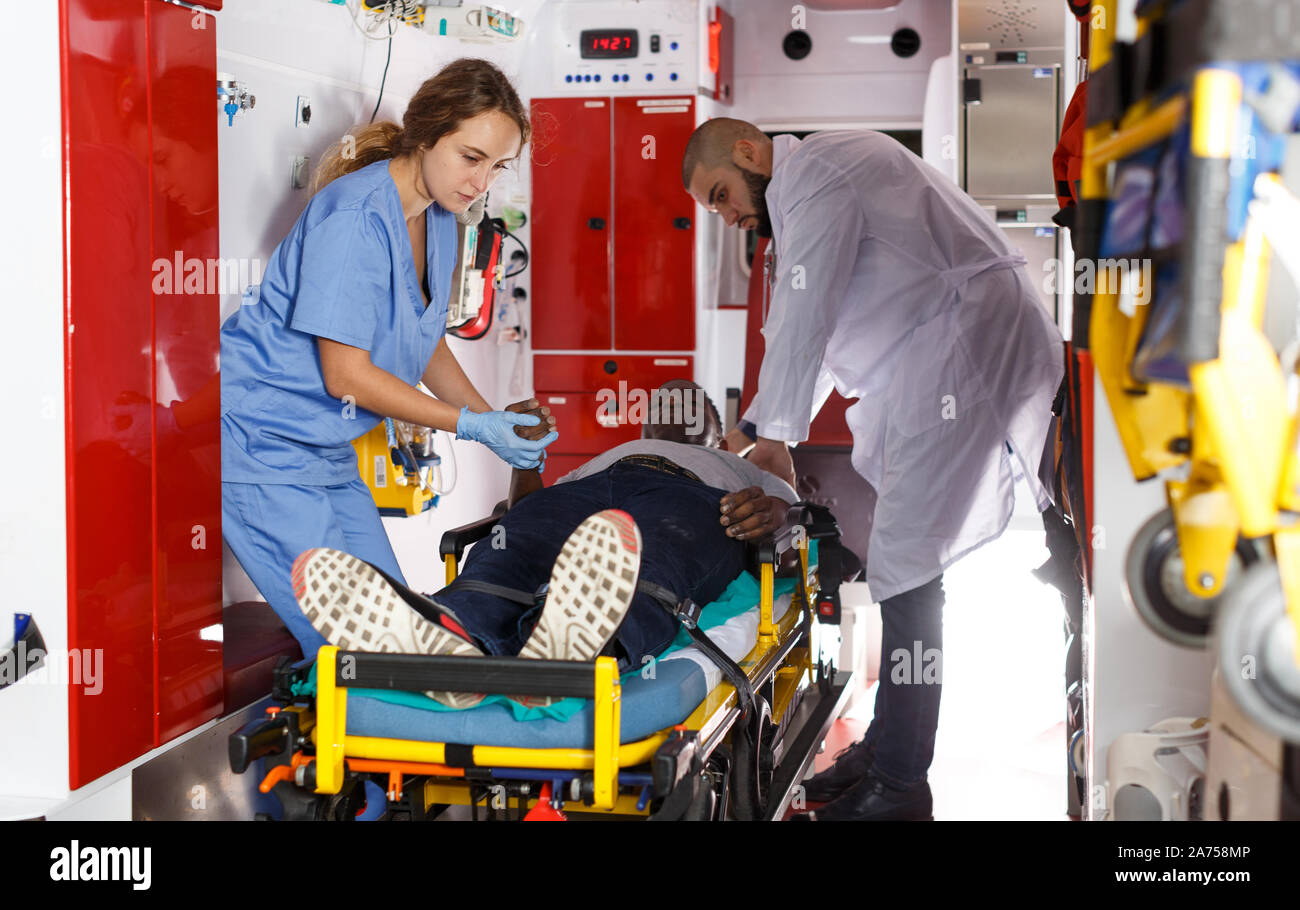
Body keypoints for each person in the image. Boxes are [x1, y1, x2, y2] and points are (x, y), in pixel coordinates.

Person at [681, 119, 1064, 820]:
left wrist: (772, 435)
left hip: (965, 347)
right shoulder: (807, 191)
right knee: (902, 561)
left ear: (747, 152)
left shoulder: (819, 171)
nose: (728, 216)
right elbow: (816, 333)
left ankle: (900, 783)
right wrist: (758, 432)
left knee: (906, 564)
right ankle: (887, 749)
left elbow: (805, 316)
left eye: (721, 195)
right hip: (948, 351)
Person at [221, 59, 558, 653]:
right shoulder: (355, 219)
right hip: (264, 450)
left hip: (327, 453)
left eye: (497, 167)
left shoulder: (440, 219)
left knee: (402, 636)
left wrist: (494, 425)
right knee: (357, 649)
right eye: (471, 157)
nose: (481, 183)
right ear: (426, 133)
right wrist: (470, 426)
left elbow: (424, 343)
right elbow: (345, 376)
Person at [291, 382, 797, 708]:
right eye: (662, 405)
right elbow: (523, 509)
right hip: (589, 489)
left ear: (720, 438)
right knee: (516, 546)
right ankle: (457, 636)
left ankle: (571, 649)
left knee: (650, 560)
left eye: (690, 408)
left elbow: (797, 523)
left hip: (693, 498)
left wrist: (771, 513)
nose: (673, 412)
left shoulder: (741, 469)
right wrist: (527, 458)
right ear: (644, 427)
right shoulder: (613, 453)